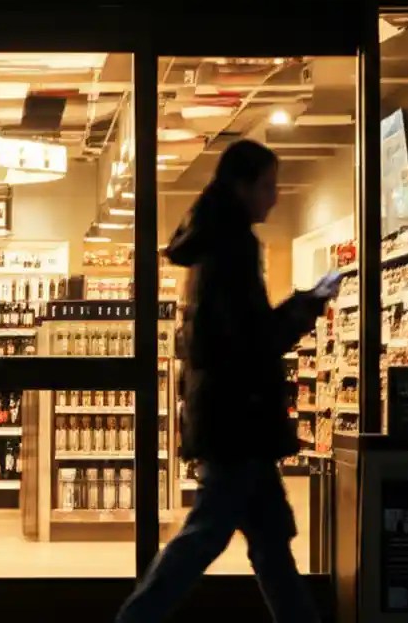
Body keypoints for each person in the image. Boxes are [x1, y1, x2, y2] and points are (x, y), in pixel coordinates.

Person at [115, 139, 338, 623]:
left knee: (270, 544)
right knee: (205, 539)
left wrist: (301, 304)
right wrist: (307, 305)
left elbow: (238, 334)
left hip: (232, 417)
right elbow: (251, 339)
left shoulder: (214, 242)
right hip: (238, 421)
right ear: (242, 186)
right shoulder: (231, 249)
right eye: (267, 185)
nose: (275, 196)